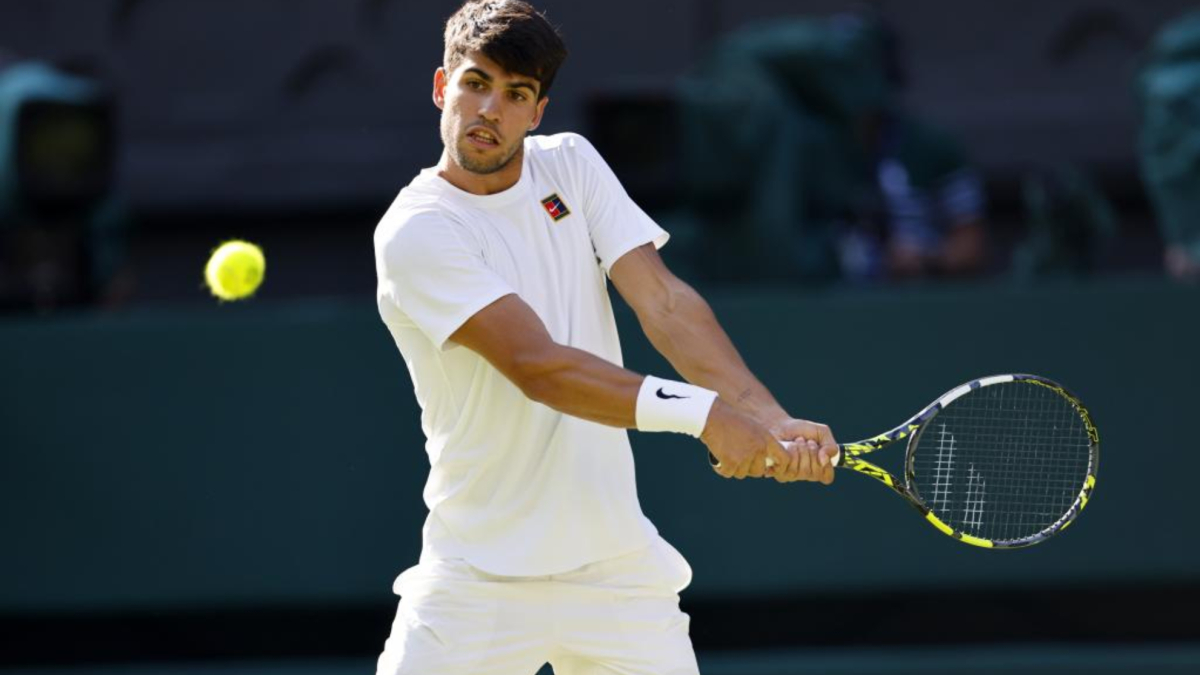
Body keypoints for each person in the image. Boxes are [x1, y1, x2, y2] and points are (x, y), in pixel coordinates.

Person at [372, 3, 838, 674]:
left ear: (537, 113)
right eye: (476, 83)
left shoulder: (572, 166)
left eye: (516, 94)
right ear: (443, 87)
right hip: (478, 581)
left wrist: (767, 416)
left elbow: (666, 302)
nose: (490, 109)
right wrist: (705, 415)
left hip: (618, 576)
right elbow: (539, 367)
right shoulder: (417, 231)